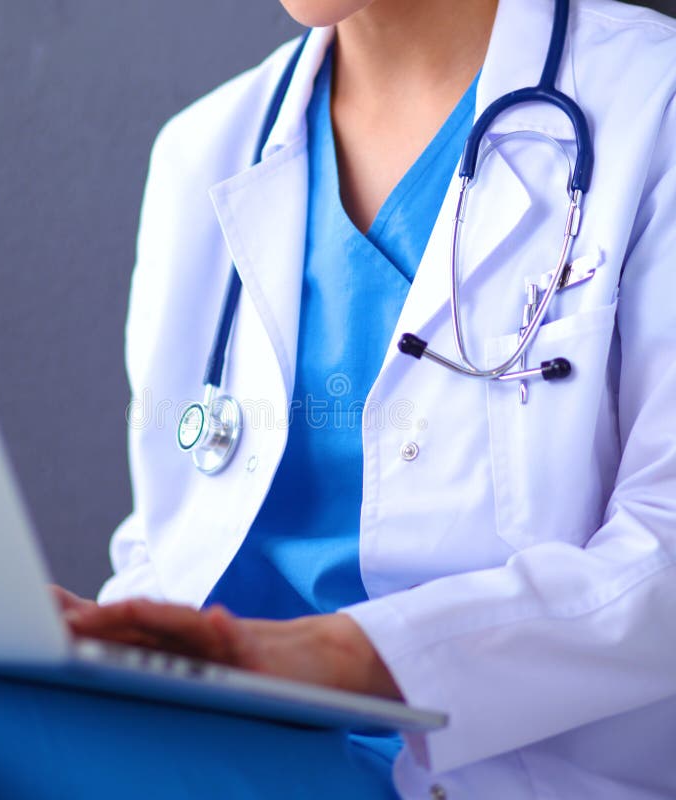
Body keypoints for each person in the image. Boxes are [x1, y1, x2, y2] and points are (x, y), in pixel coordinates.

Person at [58, 0, 676, 796]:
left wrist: (349, 655)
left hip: (487, 775)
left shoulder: (651, 104)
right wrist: (100, 639)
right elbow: (170, 543)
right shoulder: (203, 149)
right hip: (212, 744)